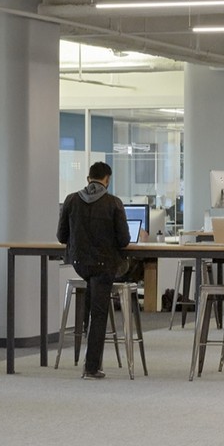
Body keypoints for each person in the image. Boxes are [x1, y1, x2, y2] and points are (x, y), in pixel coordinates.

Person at [56, 160, 131, 380]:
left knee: (93, 298)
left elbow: (61, 236)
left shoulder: (71, 200)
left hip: (79, 265)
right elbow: (124, 240)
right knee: (99, 313)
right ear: (107, 180)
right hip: (104, 266)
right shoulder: (114, 203)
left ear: (88, 179)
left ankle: (87, 352)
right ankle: (91, 367)